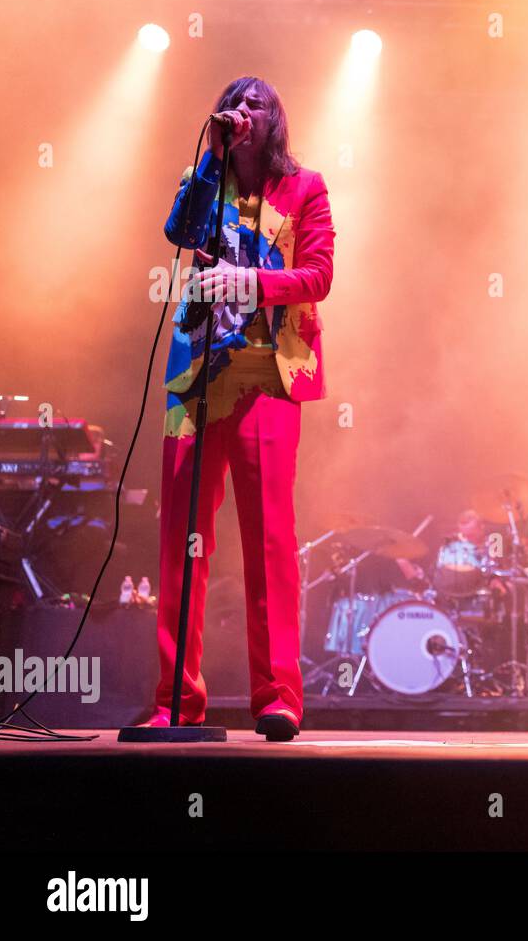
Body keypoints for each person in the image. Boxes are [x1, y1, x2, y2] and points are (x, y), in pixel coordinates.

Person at [139, 76, 335, 741]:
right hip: (196, 371)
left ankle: (278, 696)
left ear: (276, 119)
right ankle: (174, 699)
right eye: (233, 101)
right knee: (181, 541)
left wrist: (251, 279)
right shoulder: (206, 175)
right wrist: (208, 162)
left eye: (256, 103)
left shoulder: (305, 188)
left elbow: (319, 278)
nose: (241, 111)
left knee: (270, 538)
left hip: (266, 375)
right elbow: (177, 232)